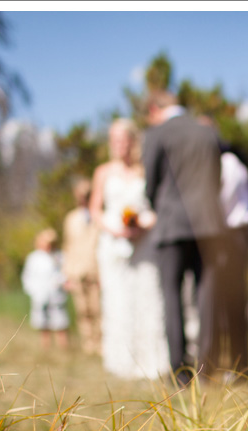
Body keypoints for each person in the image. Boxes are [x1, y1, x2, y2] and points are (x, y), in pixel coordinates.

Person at [143, 91, 230, 385]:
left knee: (172, 294)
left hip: (172, 224)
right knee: (205, 294)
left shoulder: (158, 133)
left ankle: (180, 370)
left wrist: (160, 207)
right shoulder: (207, 132)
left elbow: (151, 182)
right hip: (208, 223)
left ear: (155, 108)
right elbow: (217, 176)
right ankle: (206, 367)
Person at [89, 118, 170, 380]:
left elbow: (159, 206)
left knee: (147, 296)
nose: (120, 145)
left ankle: (151, 362)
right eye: (115, 140)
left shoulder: (145, 170)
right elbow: (95, 210)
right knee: (118, 300)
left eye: (124, 139)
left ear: (133, 141)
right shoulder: (102, 172)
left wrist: (144, 226)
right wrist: (115, 230)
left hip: (144, 244)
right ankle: (121, 361)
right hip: (113, 246)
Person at [216, 146, 248, 376]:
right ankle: (238, 364)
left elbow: (223, 199)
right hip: (233, 235)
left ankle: (238, 366)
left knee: (232, 304)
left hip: (231, 235)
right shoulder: (232, 162)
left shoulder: (228, 162)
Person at [62, 178, 101, 355]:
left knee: (98, 308)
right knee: (82, 310)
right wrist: (67, 273)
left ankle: (100, 342)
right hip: (76, 271)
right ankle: (88, 343)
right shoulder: (71, 218)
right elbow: (67, 246)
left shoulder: (98, 216)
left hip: (96, 270)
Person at [21, 228, 70, 350]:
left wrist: (61, 282)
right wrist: (33, 291)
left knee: (60, 322)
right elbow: (27, 277)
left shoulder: (59, 256)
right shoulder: (33, 258)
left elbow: (64, 273)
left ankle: (63, 347)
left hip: (56, 294)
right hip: (40, 295)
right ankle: (45, 347)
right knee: (43, 323)